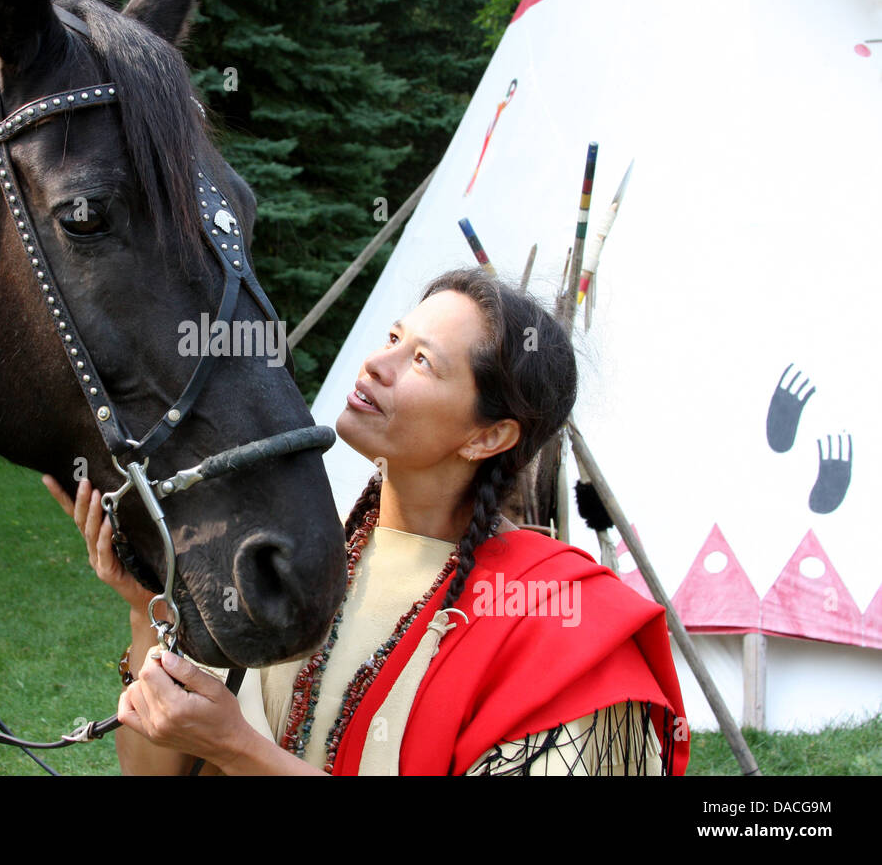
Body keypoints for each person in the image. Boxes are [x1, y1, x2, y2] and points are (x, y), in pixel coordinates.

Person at [44, 268, 689, 775]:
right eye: (392, 339)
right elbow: (154, 772)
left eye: (421, 362)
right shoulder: (291, 556)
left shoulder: (560, 622)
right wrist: (144, 609)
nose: (376, 365)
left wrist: (241, 749)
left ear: (488, 436)